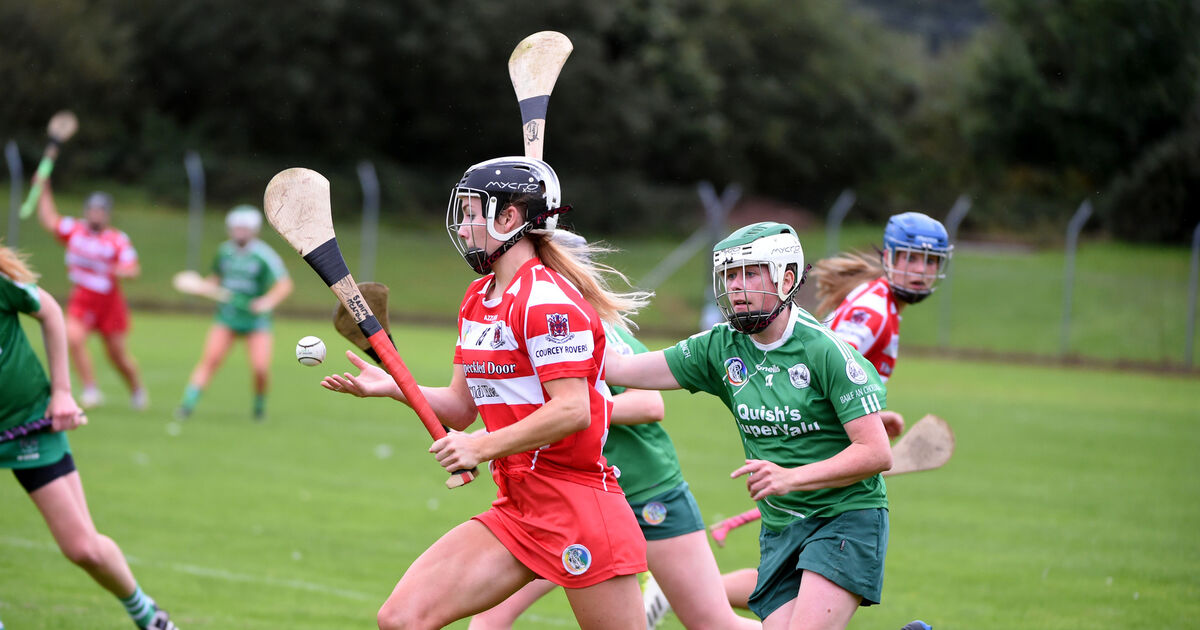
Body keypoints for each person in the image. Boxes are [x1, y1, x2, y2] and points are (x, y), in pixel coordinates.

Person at [320, 157, 650, 630]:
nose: (464, 224)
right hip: (518, 506)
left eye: (474, 211)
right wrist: (394, 387)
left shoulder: (548, 301)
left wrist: (480, 446)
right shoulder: (478, 299)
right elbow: (459, 409)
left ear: (509, 218)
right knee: (402, 618)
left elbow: (574, 410)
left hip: (579, 509)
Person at [604, 221, 893, 630]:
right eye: (730, 275)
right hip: (780, 526)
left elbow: (876, 453)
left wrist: (791, 478)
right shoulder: (720, 346)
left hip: (843, 517)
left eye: (750, 273)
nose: (736, 286)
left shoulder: (825, 352)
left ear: (786, 278)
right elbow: (619, 367)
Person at [468, 231, 758, 630]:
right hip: (570, 501)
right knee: (491, 618)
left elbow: (650, 404)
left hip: (648, 493)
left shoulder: (598, 331)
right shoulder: (520, 326)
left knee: (712, 623)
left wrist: (570, 411)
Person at [712, 212, 953, 612]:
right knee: (795, 582)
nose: (921, 272)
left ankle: (686, 591)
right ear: (889, 255)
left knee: (802, 589)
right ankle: (684, 591)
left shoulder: (880, 303)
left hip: (824, 459)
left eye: (930, 262)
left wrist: (874, 417)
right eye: (911, 258)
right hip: (817, 467)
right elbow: (823, 367)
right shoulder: (875, 311)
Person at [0, 242, 177, 629]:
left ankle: (148, 616)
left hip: (27, 421)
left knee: (83, 549)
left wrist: (62, 392)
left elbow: (48, 310)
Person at [35, 179, 147, 410]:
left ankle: (136, 388)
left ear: (107, 215)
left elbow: (134, 269)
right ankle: (90, 389)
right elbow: (48, 219)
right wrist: (43, 185)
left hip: (110, 304)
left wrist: (123, 271)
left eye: (100, 211)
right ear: (86, 212)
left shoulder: (117, 239)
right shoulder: (75, 230)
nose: (95, 215)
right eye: (92, 210)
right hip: (82, 299)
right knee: (73, 339)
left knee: (117, 356)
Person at [176, 206, 293, 420]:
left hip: (256, 320)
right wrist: (203, 286)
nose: (239, 232)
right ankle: (186, 405)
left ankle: (259, 407)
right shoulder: (224, 252)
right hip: (227, 316)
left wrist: (266, 301)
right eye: (236, 228)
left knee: (260, 368)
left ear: (254, 230)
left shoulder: (263, 255)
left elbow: (284, 285)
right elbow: (216, 280)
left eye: (244, 228)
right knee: (210, 360)